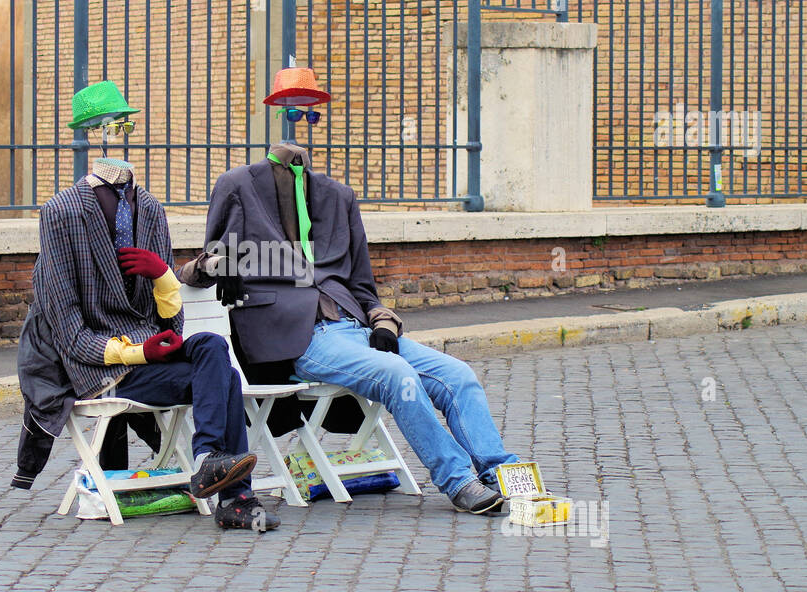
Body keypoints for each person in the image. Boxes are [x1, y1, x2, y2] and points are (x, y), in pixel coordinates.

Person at [180, 67, 519, 515]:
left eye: (309, 109)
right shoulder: (238, 186)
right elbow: (210, 261)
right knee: (399, 378)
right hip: (294, 337)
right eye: (292, 107)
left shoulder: (339, 196)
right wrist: (203, 267)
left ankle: (501, 471)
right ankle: (458, 480)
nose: (300, 116)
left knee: (460, 376)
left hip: (353, 328)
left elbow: (362, 284)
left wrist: (382, 320)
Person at [36, 80, 280, 531]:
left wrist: (163, 275)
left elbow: (172, 318)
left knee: (209, 347)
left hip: (154, 358)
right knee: (223, 376)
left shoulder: (148, 207)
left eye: (125, 122)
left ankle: (207, 458)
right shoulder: (62, 211)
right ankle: (235, 499)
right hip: (105, 369)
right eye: (110, 124)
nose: (121, 131)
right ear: (91, 132)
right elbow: (67, 330)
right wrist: (137, 352)